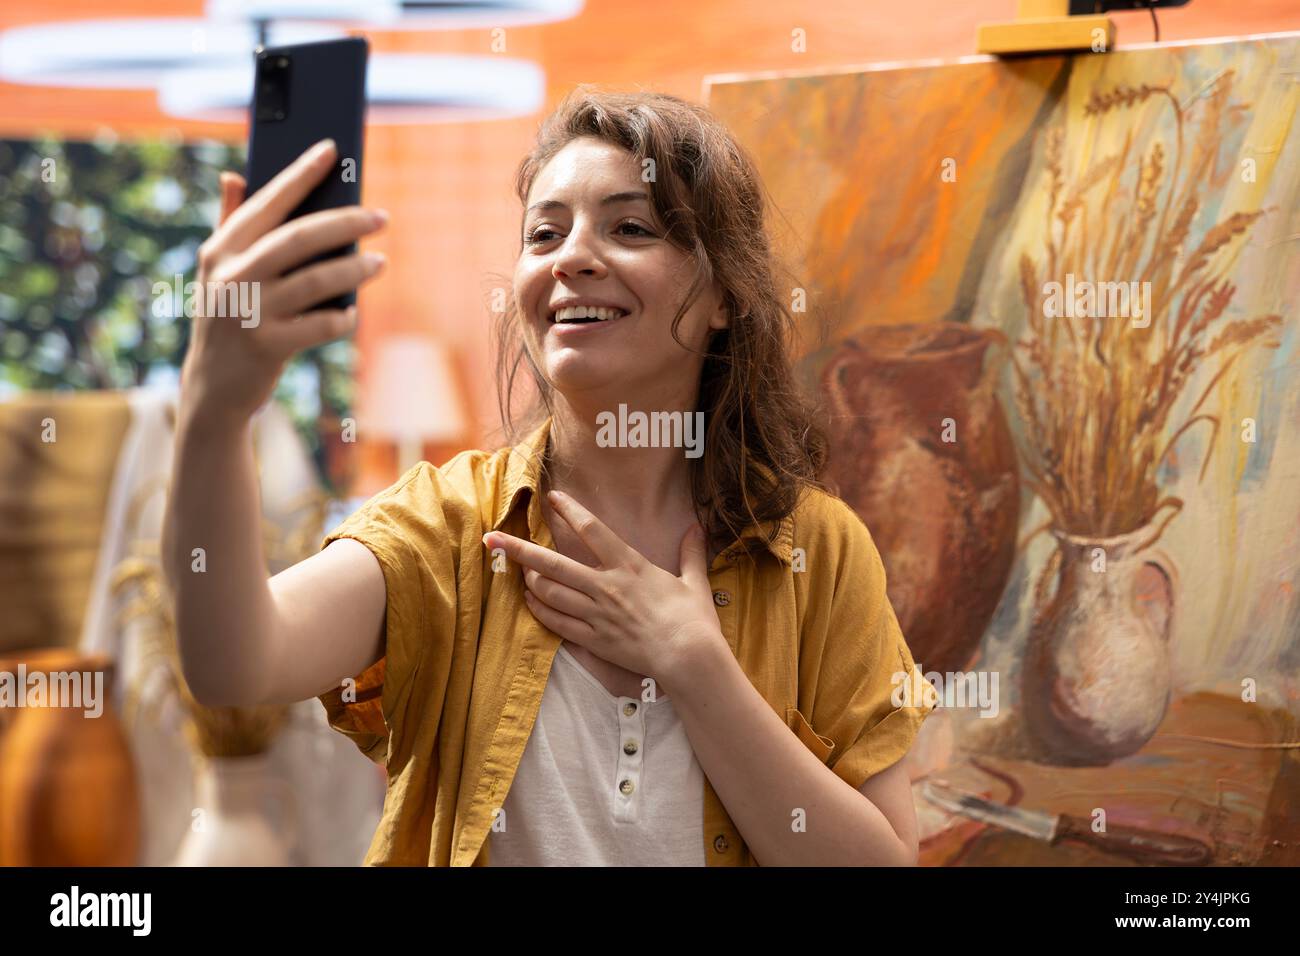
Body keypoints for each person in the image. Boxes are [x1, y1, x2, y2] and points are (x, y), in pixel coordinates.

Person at [162, 87, 935, 867]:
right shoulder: (448, 527)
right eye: (545, 233)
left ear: (724, 297)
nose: (572, 257)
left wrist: (696, 668)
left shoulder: (816, 551)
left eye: (630, 227)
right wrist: (215, 406)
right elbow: (234, 662)